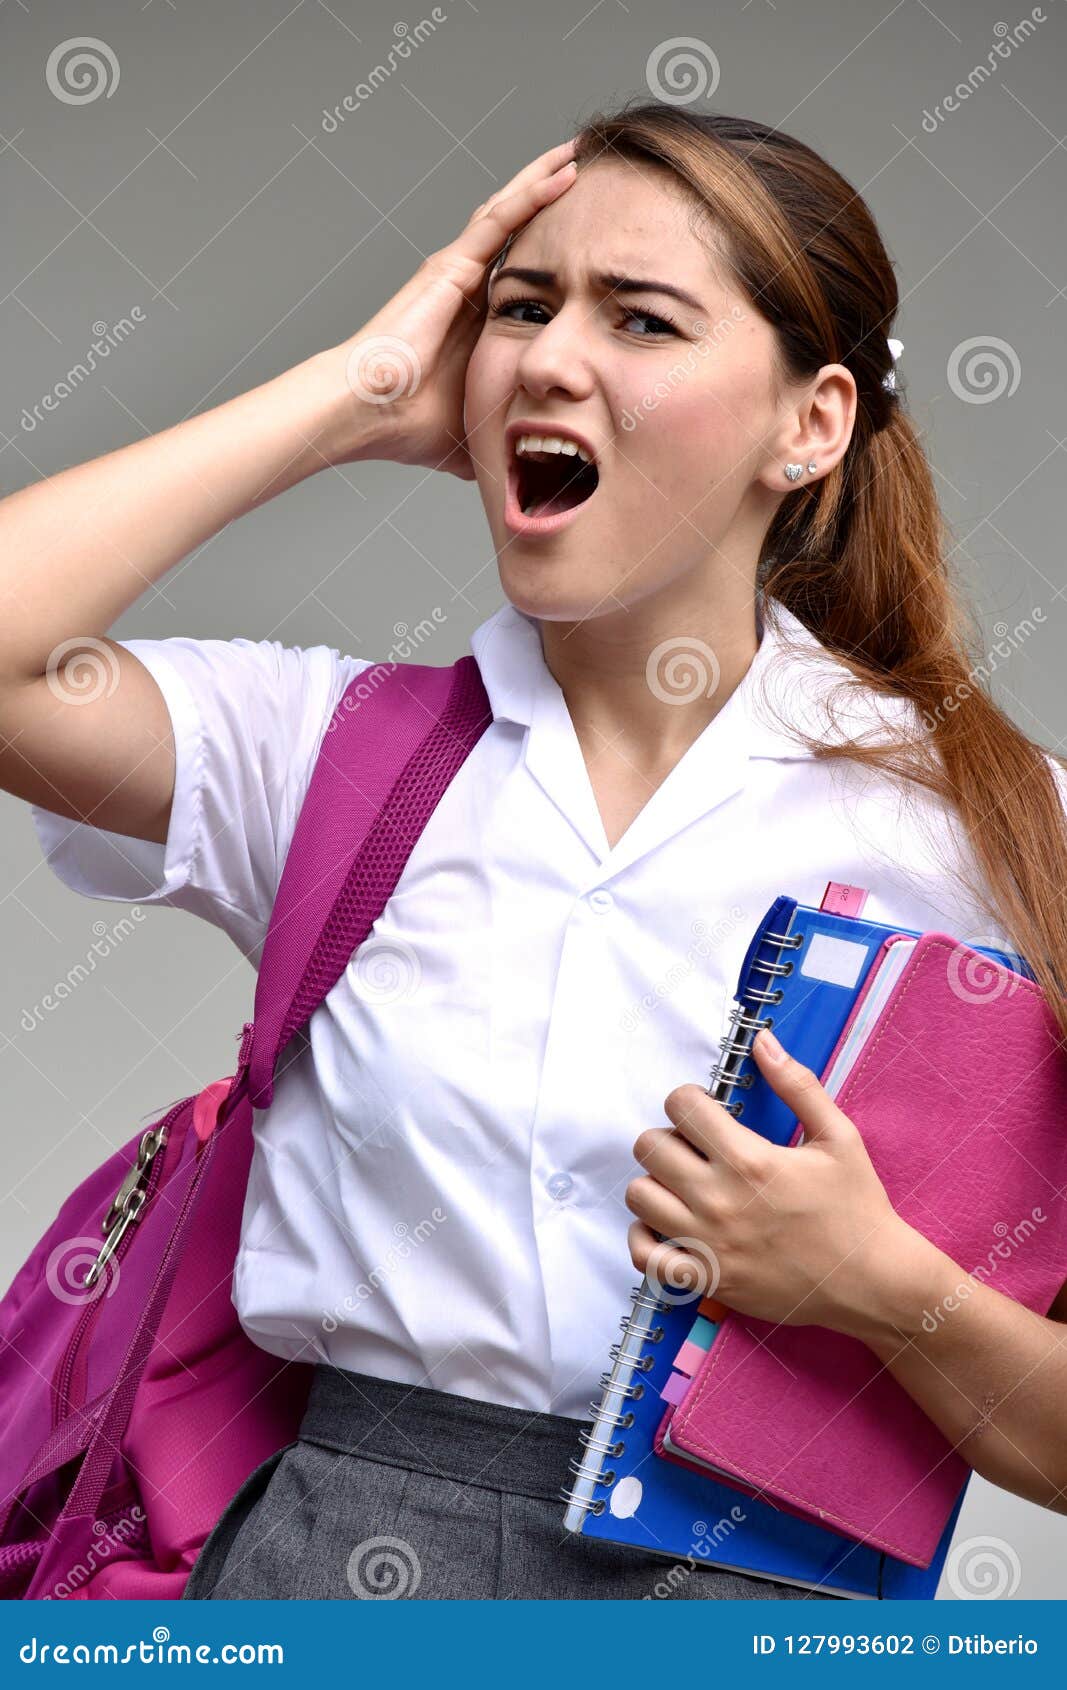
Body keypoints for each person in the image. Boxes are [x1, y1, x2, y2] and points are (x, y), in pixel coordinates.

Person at [2, 102, 1066, 1602]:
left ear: (809, 423)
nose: (551, 357)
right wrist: (349, 394)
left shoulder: (989, 822)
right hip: (341, 1578)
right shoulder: (327, 757)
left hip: (756, 1606)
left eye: (640, 318)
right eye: (521, 306)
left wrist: (888, 1293)